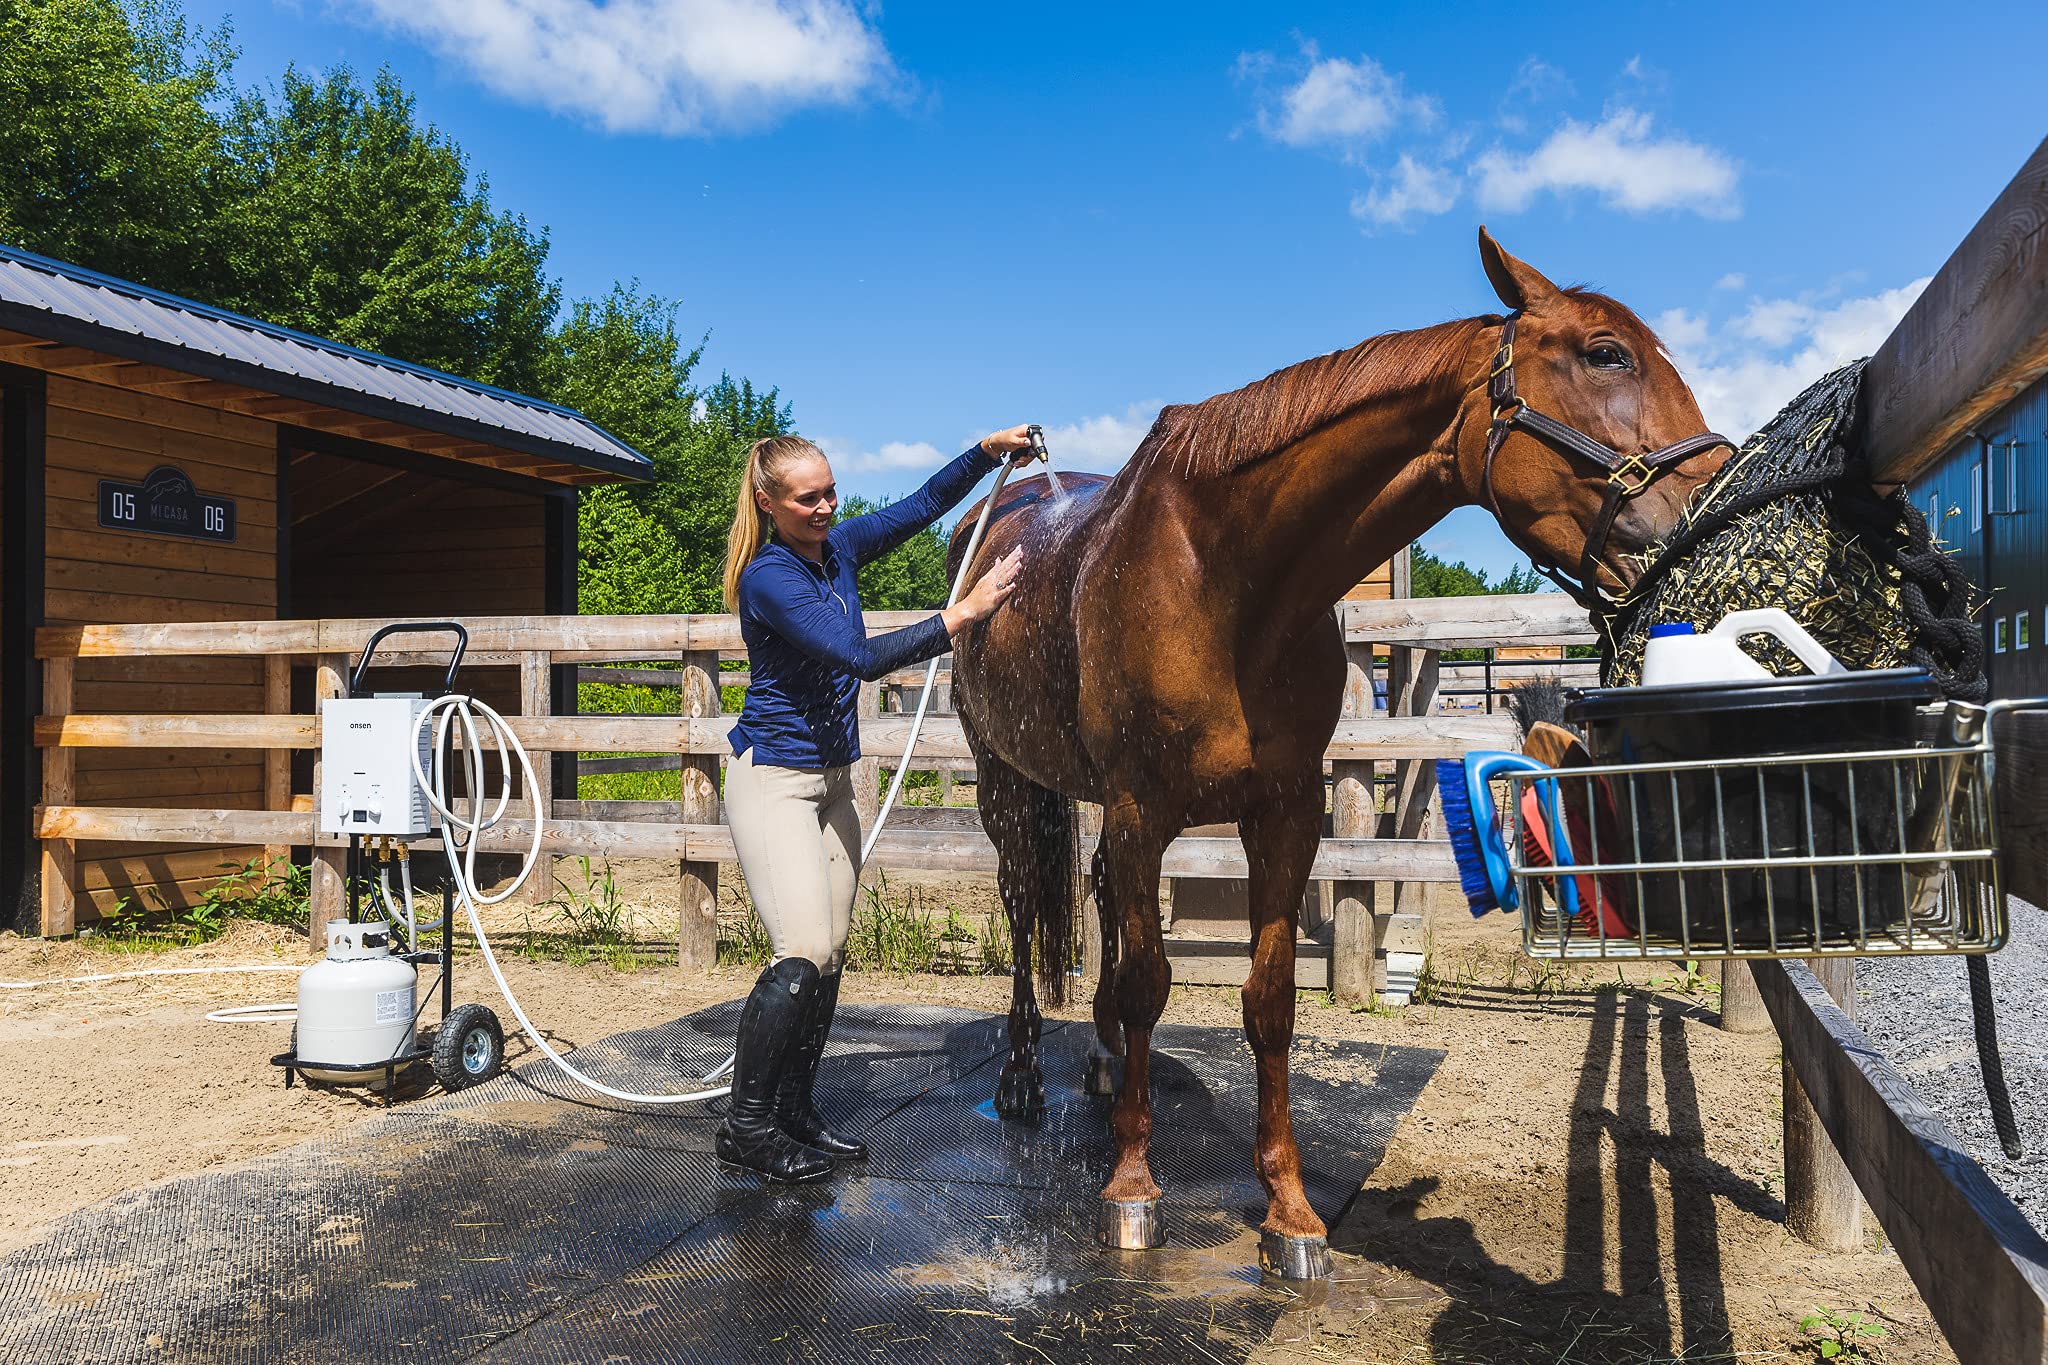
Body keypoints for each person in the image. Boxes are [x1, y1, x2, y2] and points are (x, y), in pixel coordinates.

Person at [713, 426, 1035, 1183]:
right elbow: (859, 657)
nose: (827, 506)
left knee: (829, 958)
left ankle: (794, 1110)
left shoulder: (839, 548)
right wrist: (966, 612)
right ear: (768, 502)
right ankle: (747, 1126)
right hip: (774, 782)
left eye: (831, 490)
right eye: (808, 497)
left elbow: (921, 505)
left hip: (830, 782)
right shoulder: (770, 578)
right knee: (798, 955)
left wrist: (986, 454)